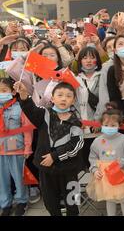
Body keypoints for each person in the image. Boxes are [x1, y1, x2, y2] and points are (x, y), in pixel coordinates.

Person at [14, 81, 84, 216]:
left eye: (69, 96)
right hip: (45, 169)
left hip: (68, 169)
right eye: (60, 95)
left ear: (73, 100)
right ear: (52, 98)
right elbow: (30, 109)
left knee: (73, 201)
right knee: (50, 202)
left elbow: (76, 145)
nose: (64, 98)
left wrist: (54, 156)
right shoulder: (44, 114)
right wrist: (23, 93)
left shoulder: (76, 121)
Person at [87, 105, 124, 216]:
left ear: (119, 125)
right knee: (109, 198)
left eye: (113, 125)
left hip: (121, 172)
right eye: (106, 125)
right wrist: (95, 170)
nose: (109, 127)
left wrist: (121, 163)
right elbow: (92, 157)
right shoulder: (97, 141)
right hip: (105, 176)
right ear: (101, 125)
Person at [0, 78, 33, 216]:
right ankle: (5, 204)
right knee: (2, 180)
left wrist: (27, 148)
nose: (1, 94)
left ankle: (21, 202)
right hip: (0, 151)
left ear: (13, 92)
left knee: (19, 178)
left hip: (16, 149)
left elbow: (27, 129)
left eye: (4, 91)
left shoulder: (20, 107)